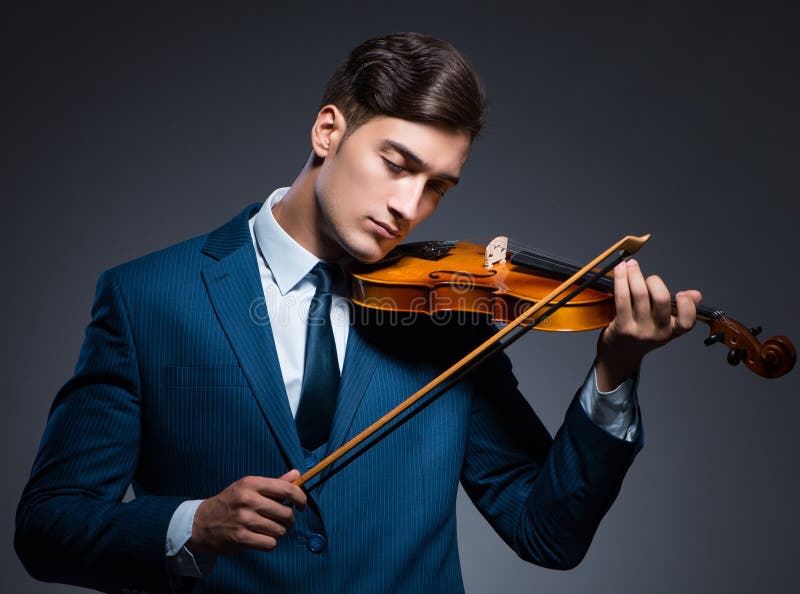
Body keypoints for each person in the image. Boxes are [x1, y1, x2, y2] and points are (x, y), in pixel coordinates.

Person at [15, 32, 701, 594]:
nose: (411, 206)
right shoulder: (147, 297)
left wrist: (615, 370)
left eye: (437, 186)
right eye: (396, 164)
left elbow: (545, 532)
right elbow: (48, 527)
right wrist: (191, 525)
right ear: (328, 130)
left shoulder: (448, 315)